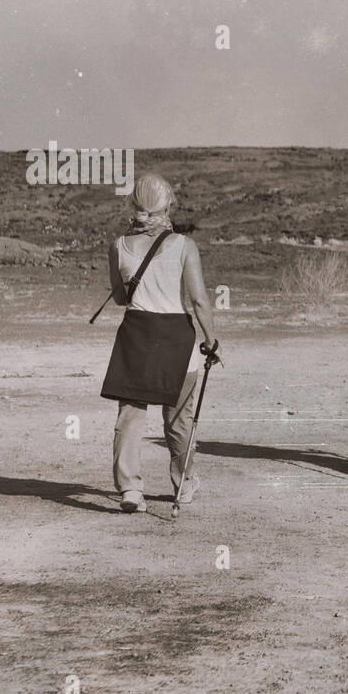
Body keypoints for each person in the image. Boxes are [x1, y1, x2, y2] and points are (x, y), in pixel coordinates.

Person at [100, 174, 217, 513]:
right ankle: (183, 484)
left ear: (134, 206)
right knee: (179, 418)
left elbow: (121, 298)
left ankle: (130, 491)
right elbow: (198, 301)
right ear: (167, 206)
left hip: (137, 335)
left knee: (130, 417)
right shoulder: (184, 245)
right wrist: (212, 340)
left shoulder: (117, 246)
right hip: (176, 340)